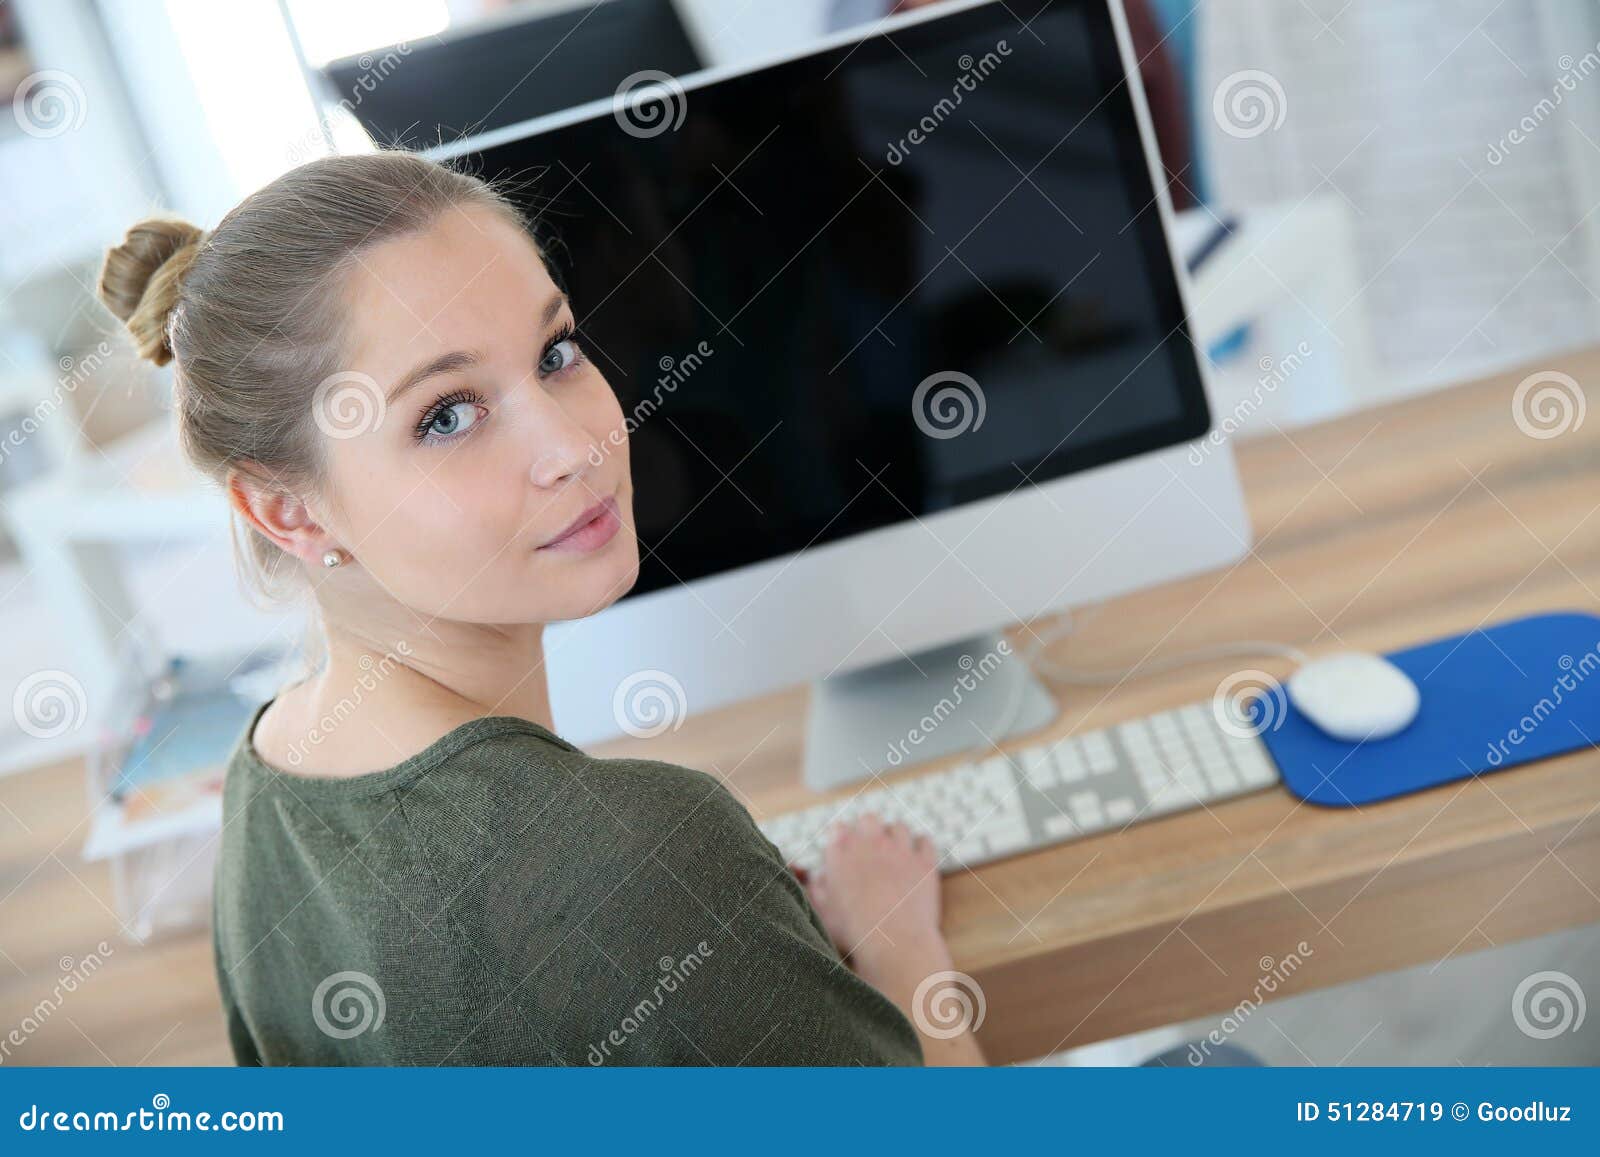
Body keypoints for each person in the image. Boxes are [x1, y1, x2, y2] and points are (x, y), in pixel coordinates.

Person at [95, 150, 986, 1067]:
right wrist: (901, 947)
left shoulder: (269, 775)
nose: (574, 445)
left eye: (555, 353)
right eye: (446, 414)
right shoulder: (638, 857)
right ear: (287, 510)